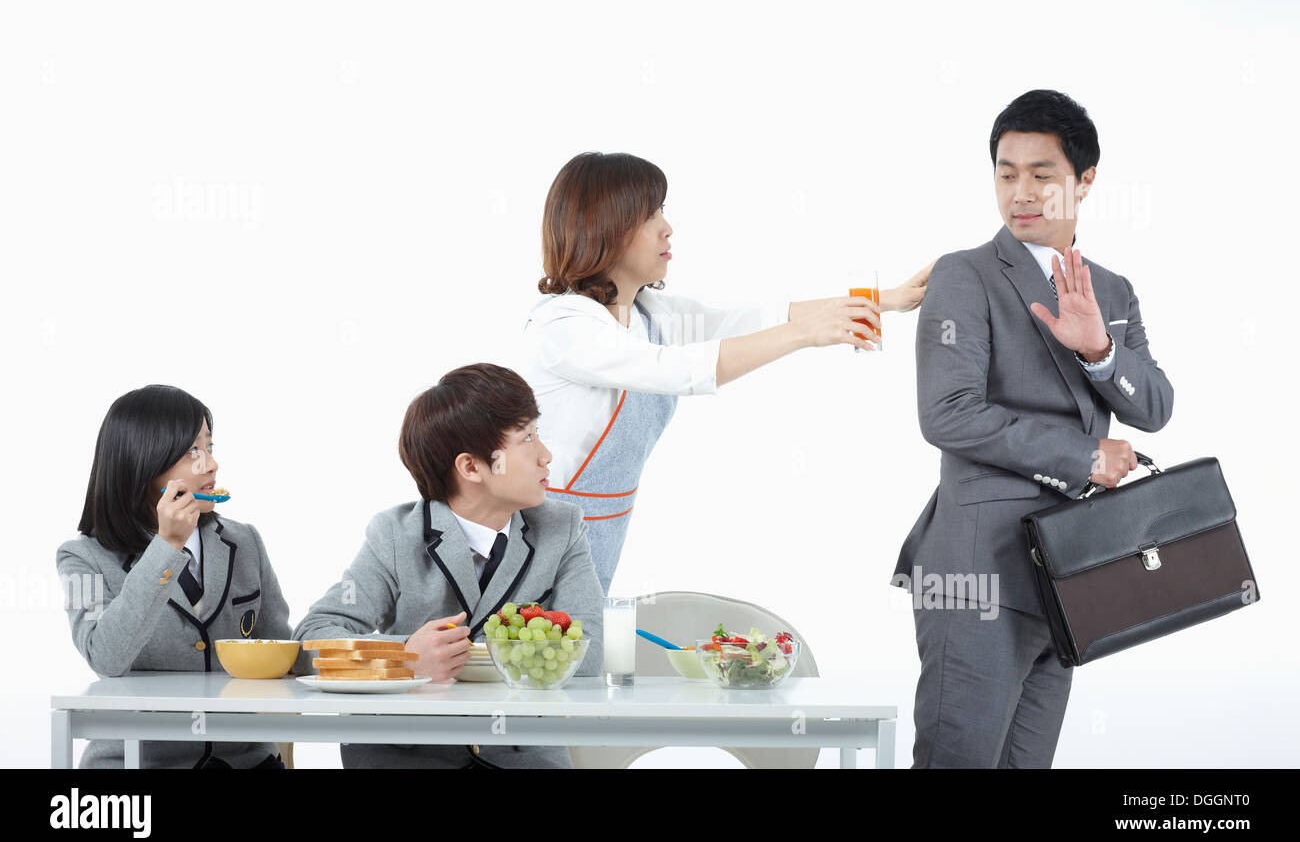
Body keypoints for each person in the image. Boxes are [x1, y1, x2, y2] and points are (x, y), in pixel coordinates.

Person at [891, 89, 1175, 768]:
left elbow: (1155, 406)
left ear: (1084, 181)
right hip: (976, 569)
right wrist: (1085, 458)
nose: (1020, 192)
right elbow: (947, 414)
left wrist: (1100, 352)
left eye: (1042, 175)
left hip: (1071, 570)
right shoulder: (965, 276)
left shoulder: (1112, 290)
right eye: (1005, 172)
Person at [519, 151, 933, 592]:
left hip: (599, 531)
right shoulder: (563, 326)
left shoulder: (648, 315)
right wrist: (807, 333)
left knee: (575, 651)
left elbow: (754, 320)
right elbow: (675, 369)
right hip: (534, 539)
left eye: (663, 210)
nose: (667, 227)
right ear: (604, 226)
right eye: (649, 214)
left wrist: (885, 299)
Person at [295, 363, 603, 768]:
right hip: (407, 754)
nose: (546, 455)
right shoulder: (395, 533)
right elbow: (311, 641)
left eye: (538, 433)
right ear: (471, 467)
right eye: (526, 438)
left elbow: (590, 655)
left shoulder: (561, 528)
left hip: (522, 754)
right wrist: (403, 660)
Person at [57, 384, 296, 768]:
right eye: (191, 452)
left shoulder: (244, 541)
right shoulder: (82, 557)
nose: (211, 465)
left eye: (210, 447)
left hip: (244, 761)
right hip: (135, 762)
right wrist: (167, 546)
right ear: (143, 462)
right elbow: (105, 656)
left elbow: (282, 653)